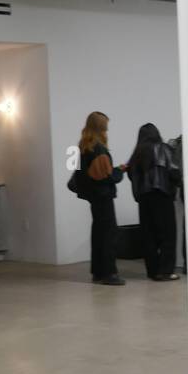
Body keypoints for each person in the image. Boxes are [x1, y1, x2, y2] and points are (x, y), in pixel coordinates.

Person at [76, 111, 127, 285]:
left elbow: (85, 174)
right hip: (103, 196)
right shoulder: (99, 149)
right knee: (108, 234)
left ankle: (98, 272)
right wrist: (120, 170)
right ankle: (109, 273)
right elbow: (108, 176)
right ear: (101, 126)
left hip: (93, 197)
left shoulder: (84, 146)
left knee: (98, 233)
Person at [128, 123, 179, 282]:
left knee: (148, 235)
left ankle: (153, 271)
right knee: (168, 234)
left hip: (143, 197)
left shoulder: (137, 153)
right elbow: (174, 171)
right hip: (162, 195)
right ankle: (166, 271)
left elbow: (131, 175)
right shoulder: (164, 148)